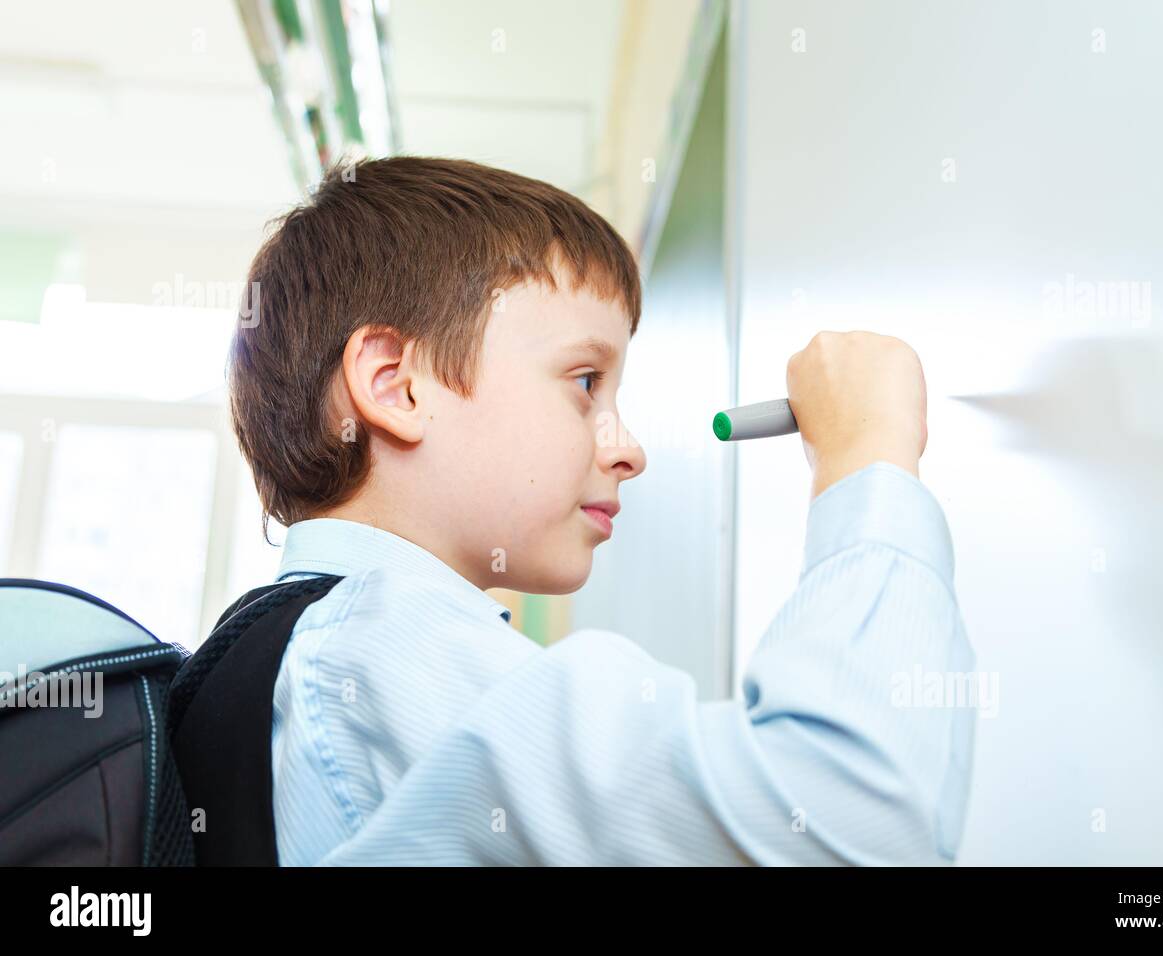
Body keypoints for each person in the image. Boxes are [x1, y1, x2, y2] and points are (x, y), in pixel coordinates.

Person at [226, 156, 974, 865]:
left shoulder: (290, 651)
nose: (629, 451)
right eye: (586, 382)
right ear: (396, 387)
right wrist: (866, 459)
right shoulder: (390, 646)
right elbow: (858, 815)